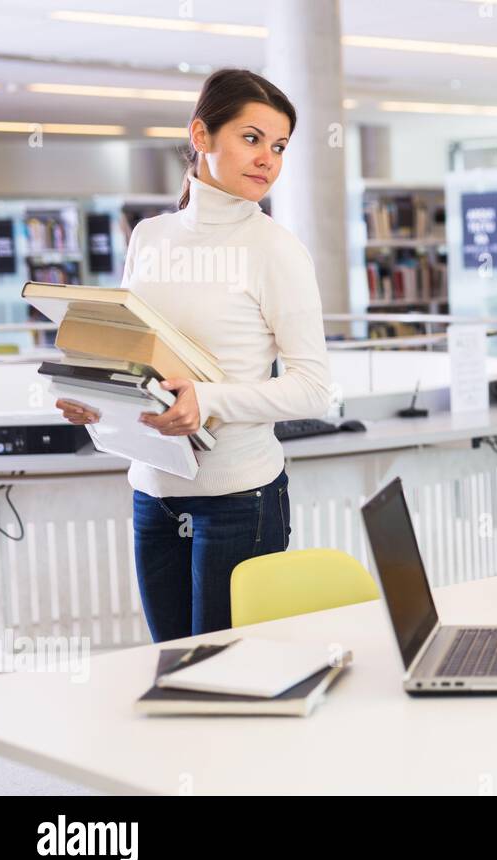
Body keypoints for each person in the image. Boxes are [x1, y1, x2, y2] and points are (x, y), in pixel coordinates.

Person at [55, 69, 331, 641]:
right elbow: (135, 354)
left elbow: (313, 388)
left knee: (228, 685)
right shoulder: (149, 238)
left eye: (278, 147)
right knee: (173, 671)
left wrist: (207, 399)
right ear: (201, 136)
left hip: (239, 499)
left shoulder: (275, 250)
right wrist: (97, 396)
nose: (267, 160)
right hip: (152, 494)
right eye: (251, 139)